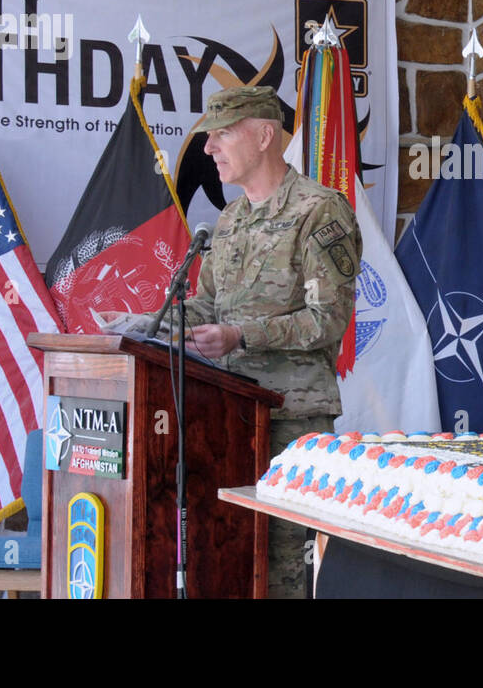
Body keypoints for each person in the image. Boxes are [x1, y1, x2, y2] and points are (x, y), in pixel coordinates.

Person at [159, 85, 361, 598]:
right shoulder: (229, 221)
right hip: (225, 419)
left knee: (281, 564)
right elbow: (206, 306)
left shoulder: (320, 211)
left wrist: (240, 336)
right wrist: (145, 326)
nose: (208, 148)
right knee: (228, 553)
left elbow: (327, 321)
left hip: (291, 419)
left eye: (222, 134)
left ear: (265, 135)